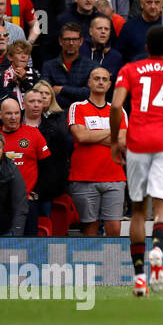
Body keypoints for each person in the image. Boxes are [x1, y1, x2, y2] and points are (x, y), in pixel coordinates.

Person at [110, 25, 163, 296]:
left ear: (146, 48)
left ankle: (138, 278)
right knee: (162, 208)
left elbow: (115, 106)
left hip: (137, 143)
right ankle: (157, 249)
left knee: (137, 210)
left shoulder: (130, 70)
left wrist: (115, 140)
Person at [67, 66, 124, 236]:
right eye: (97, 78)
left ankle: (112, 262)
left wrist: (92, 135)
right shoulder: (77, 107)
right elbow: (81, 136)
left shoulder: (119, 110)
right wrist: (113, 131)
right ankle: (91, 262)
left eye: (104, 79)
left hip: (115, 177)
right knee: (89, 230)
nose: (100, 82)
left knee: (115, 230)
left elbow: (124, 141)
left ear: (109, 85)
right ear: (89, 82)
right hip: (84, 177)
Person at [0, 131, 28, 236]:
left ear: (3, 150)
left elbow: (20, 206)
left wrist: (15, 235)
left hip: (2, 229)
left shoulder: (11, 170)